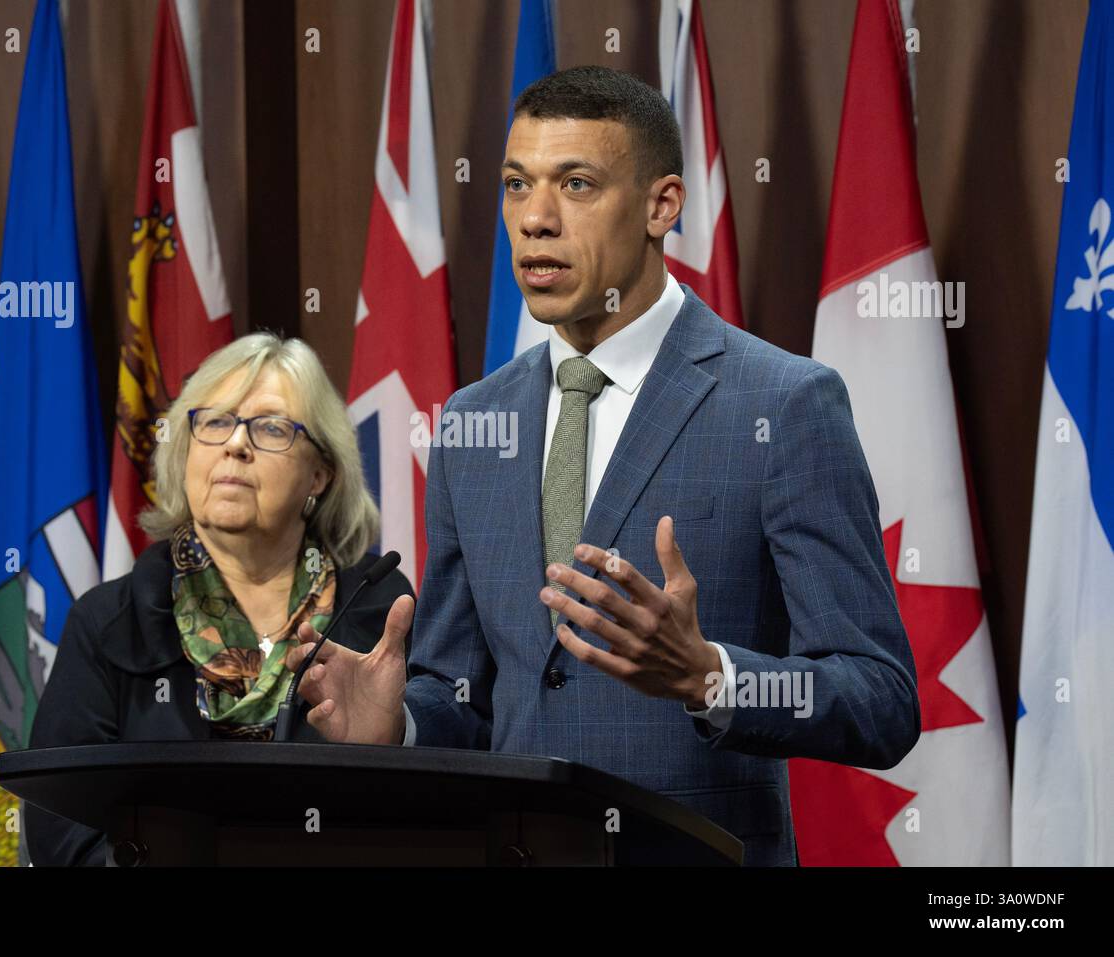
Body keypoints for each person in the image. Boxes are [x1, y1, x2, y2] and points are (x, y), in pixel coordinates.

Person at [286, 66, 920, 866]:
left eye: (576, 184)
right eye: (517, 185)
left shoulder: (785, 404)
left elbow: (882, 700)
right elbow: (467, 695)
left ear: (662, 205)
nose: (535, 220)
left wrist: (712, 676)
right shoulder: (473, 424)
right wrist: (400, 724)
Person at [24, 332, 415, 866]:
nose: (236, 444)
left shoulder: (376, 614)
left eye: (271, 427)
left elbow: (431, 818)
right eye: (215, 422)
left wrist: (390, 742)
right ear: (186, 453)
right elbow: (61, 825)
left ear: (319, 474)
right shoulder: (110, 623)